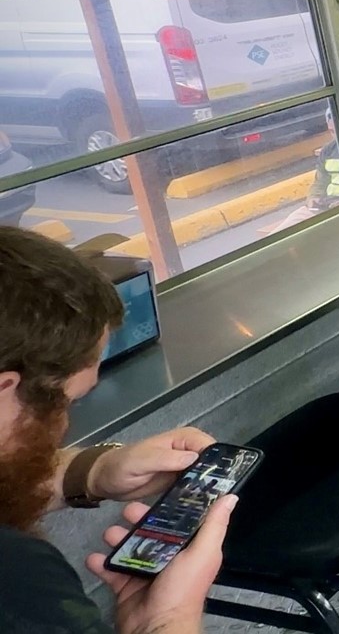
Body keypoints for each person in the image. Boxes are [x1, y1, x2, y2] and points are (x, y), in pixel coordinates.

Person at [0, 226, 236, 634]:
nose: (65, 426)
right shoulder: (20, 581)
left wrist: (91, 473)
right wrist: (167, 620)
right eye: (67, 402)